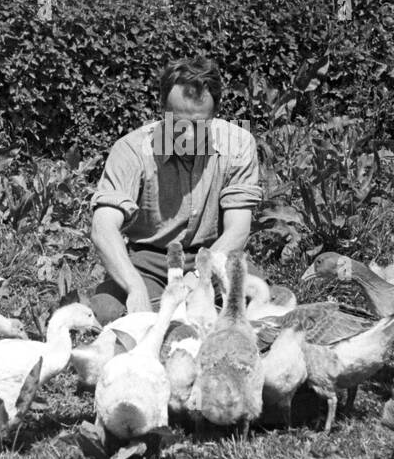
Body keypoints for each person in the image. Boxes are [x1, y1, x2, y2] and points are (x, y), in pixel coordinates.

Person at [86, 56, 262, 323]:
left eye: (199, 125)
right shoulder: (132, 150)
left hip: (216, 255)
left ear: (215, 115)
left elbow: (238, 229)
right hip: (148, 263)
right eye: (179, 123)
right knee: (106, 312)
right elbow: (103, 227)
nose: (189, 136)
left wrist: (198, 279)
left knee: (261, 306)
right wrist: (135, 287)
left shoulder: (238, 145)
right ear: (162, 111)